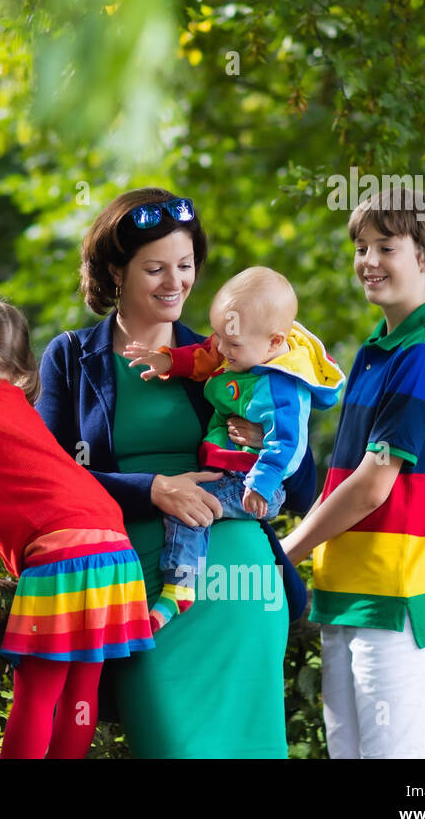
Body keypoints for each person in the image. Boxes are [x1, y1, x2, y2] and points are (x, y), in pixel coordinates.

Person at [35, 186, 316, 758]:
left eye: (185, 265)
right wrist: (153, 490)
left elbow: (301, 488)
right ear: (115, 271)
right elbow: (48, 479)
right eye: (155, 268)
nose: (175, 282)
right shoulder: (69, 358)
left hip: (241, 582)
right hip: (140, 583)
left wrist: (268, 440)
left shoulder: (231, 354)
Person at [281, 186, 425, 758]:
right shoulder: (377, 350)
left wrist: (285, 552)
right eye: (361, 247)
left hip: (399, 602)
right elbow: (343, 482)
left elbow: (370, 486)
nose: (369, 261)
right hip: (348, 593)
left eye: (386, 247)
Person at [0, 296, 154, 759]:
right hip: (115, 548)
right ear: (21, 358)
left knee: (36, 692)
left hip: (63, 554)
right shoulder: (19, 405)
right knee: (81, 690)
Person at [124, 266, 344, 633]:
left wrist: (261, 484)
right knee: (192, 506)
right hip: (230, 473)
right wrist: (168, 361)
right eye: (220, 338)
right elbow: (204, 355)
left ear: (274, 343)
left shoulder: (283, 387)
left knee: (189, 507)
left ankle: (179, 586)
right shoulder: (242, 345)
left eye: (232, 345)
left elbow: (288, 445)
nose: (223, 349)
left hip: (253, 485)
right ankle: (182, 582)